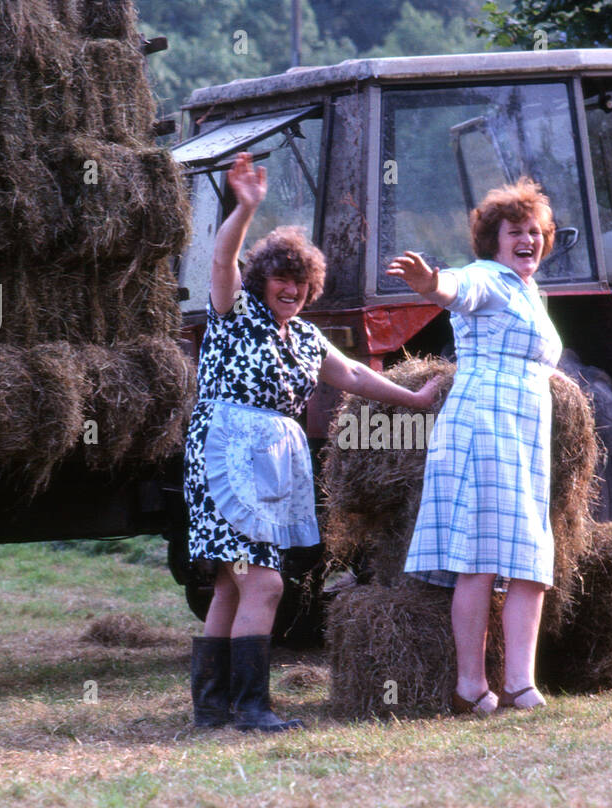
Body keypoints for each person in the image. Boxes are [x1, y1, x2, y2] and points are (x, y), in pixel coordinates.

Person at [186, 152, 440, 733]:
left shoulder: (302, 336)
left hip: (272, 459)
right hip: (226, 451)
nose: (292, 290)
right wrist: (246, 208)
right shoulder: (235, 312)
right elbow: (222, 257)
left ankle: (212, 707)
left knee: (233, 580)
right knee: (264, 580)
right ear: (262, 279)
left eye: (301, 283)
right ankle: (250, 707)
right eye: (282, 279)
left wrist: (417, 400)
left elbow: (351, 375)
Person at [387, 177, 567, 715]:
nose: (528, 239)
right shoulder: (488, 276)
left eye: (536, 231)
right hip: (485, 425)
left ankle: (519, 683)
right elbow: (457, 289)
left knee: (530, 557)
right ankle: (471, 686)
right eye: (517, 231)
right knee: (481, 557)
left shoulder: (528, 290)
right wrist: (430, 283)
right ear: (494, 240)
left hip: (525, 430)